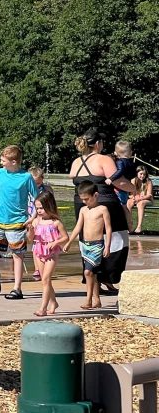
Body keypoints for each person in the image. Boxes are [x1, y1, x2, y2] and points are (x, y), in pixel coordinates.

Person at [68, 129, 134, 293]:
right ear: (97, 144)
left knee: (89, 240)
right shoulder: (104, 159)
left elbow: (73, 179)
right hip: (105, 202)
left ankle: (94, 279)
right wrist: (134, 188)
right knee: (116, 239)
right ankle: (108, 277)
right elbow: (118, 181)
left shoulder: (76, 162)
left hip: (81, 204)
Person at [0, 145, 38, 299]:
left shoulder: (26, 177)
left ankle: (17, 288)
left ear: (14, 162)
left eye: (3, 160)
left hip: (17, 221)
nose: (1, 163)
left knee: (17, 254)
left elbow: (36, 199)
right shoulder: (0, 174)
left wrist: (33, 216)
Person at [64, 182, 112, 310]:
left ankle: (88, 300)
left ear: (95, 195)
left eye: (87, 199)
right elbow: (78, 227)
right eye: (82, 199)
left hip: (97, 245)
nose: (84, 202)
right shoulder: (83, 210)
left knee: (88, 272)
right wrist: (69, 242)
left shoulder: (102, 209)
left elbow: (108, 229)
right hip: (85, 245)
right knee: (93, 274)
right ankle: (97, 300)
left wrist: (107, 246)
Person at [29, 192, 68, 317]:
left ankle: (43, 308)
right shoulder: (36, 221)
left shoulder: (56, 222)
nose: (39, 211)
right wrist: (30, 229)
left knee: (46, 279)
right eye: (37, 208)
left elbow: (65, 237)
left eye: (41, 208)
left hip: (51, 253)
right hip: (38, 252)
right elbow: (30, 238)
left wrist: (55, 242)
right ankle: (54, 302)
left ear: (49, 206)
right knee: (44, 280)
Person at [111, 140, 135, 208]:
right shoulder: (131, 163)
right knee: (123, 204)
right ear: (130, 153)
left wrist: (111, 179)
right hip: (126, 186)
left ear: (116, 153)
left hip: (118, 187)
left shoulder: (120, 161)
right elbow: (133, 174)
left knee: (119, 204)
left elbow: (120, 171)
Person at [129, 166, 153, 235]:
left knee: (140, 204)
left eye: (144, 174)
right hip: (137, 198)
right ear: (137, 173)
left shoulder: (148, 181)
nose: (142, 176)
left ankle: (139, 226)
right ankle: (129, 226)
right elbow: (131, 195)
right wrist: (134, 197)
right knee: (128, 202)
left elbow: (149, 195)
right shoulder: (133, 180)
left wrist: (140, 198)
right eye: (141, 174)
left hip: (147, 200)